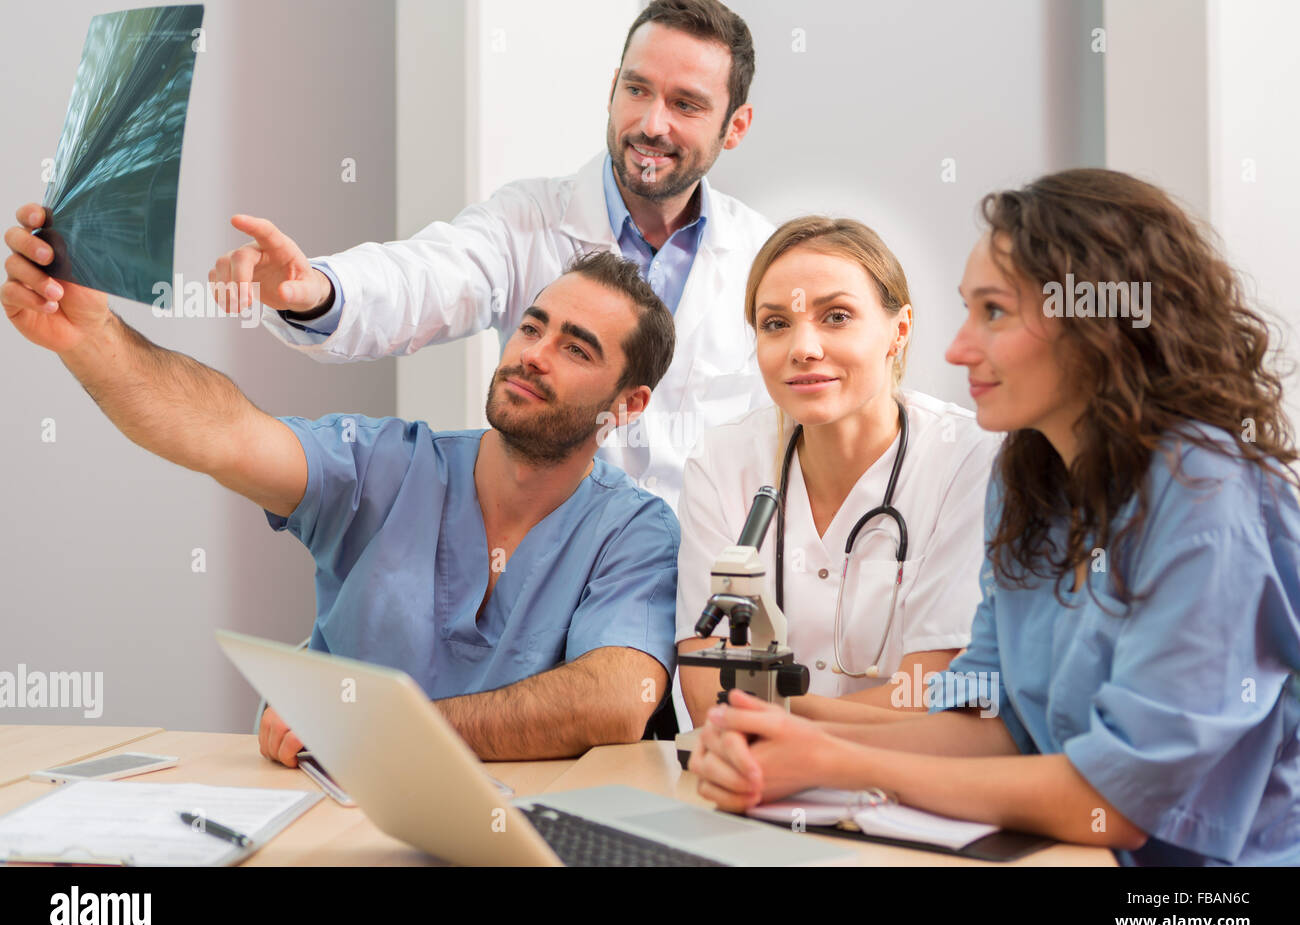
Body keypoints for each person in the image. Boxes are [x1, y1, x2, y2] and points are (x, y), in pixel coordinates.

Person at [686, 169, 1300, 866]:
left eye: (995, 313)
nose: (957, 349)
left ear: (1097, 324)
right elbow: (990, 721)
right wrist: (779, 727)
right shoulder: (1028, 478)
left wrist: (833, 760)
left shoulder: (1208, 500)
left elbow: (1115, 804)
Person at [3, 205, 680, 765]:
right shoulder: (387, 465)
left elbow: (616, 700)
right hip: (332, 821)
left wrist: (371, 735)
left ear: (629, 403)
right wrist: (91, 336)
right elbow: (222, 431)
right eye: (532, 327)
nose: (532, 352)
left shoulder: (632, 530)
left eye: (576, 347)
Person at [209, 0, 775, 513]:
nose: (652, 124)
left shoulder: (763, 259)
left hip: (699, 582)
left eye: (686, 104)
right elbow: (425, 275)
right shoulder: (527, 219)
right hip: (551, 561)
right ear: (611, 90)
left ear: (735, 127)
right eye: (637, 89)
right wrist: (319, 292)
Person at [675, 217, 1000, 727]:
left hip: (908, 790)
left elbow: (938, 695)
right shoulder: (720, 463)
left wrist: (771, 717)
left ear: (899, 330)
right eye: (776, 324)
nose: (803, 348)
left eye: (837, 316)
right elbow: (703, 683)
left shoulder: (969, 458)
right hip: (753, 787)